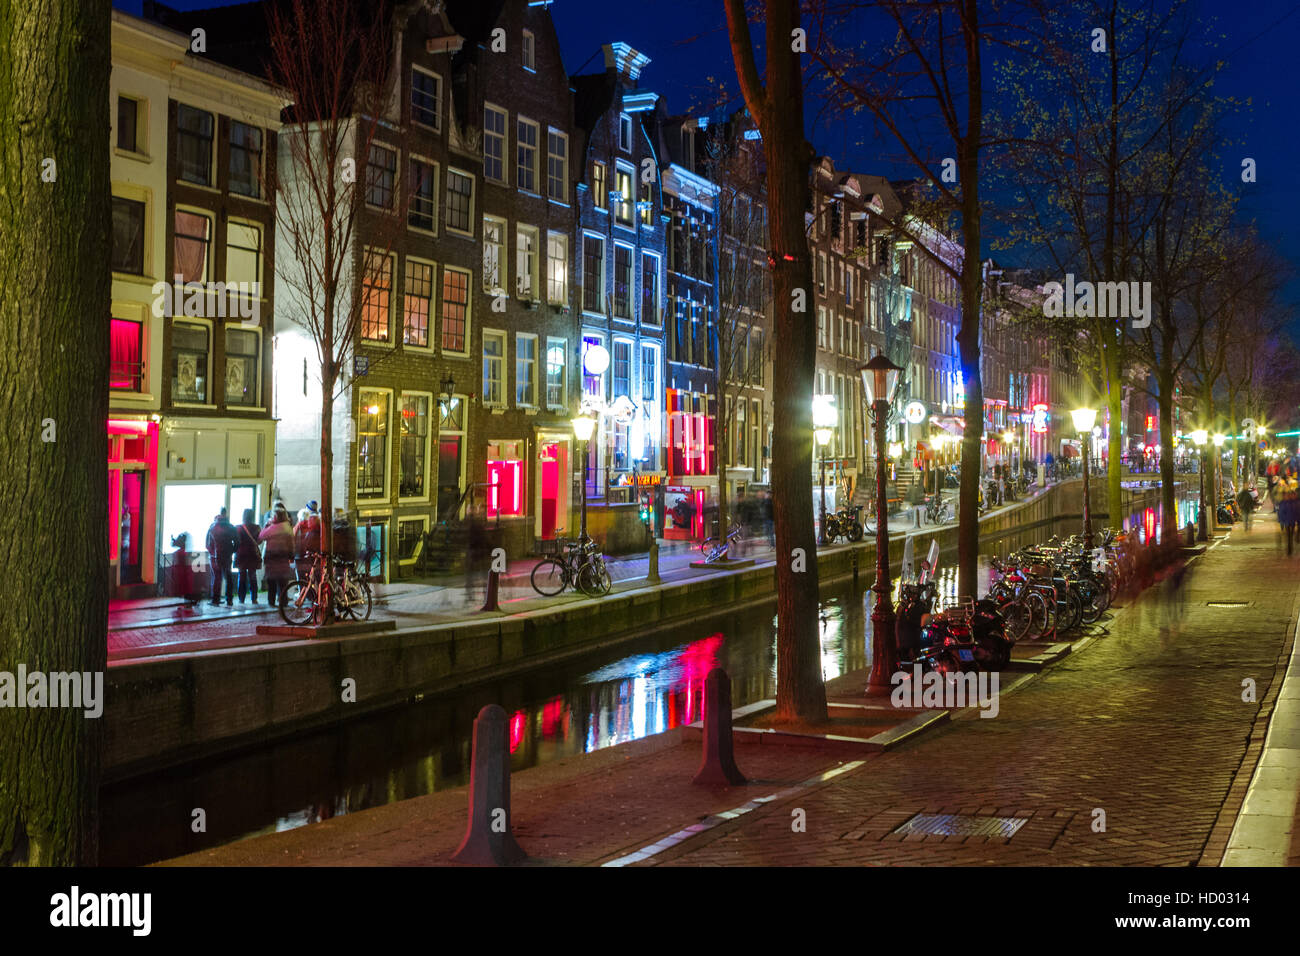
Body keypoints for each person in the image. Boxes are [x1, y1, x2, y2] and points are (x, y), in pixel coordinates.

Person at [259, 504, 295, 607]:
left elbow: (261, 536)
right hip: (283, 558)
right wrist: (291, 555)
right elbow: (291, 543)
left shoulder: (272, 528)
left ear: (275, 516)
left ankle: (271, 602)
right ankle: (283, 601)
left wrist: (266, 525)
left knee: (272, 582)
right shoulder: (287, 527)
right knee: (283, 582)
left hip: (272, 559)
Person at [205, 508, 238, 606]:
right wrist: (232, 551)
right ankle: (229, 600)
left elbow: (207, 543)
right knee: (228, 577)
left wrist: (212, 553)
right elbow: (237, 542)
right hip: (227, 556)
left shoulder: (212, 527)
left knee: (216, 578)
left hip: (214, 557)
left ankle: (215, 600)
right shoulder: (231, 527)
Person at [233, 508, 263, 604]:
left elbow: (235, 541)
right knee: (252, 577)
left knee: (241, 577)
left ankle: (241, 598)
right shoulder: (257, 527)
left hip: (241, 554)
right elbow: (260, 540)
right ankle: (254, 598)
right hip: (252, 554)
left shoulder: (238, 527)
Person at [294, 500, 323, 577]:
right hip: (313, 553)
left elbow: (293, 538)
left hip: (300, 554)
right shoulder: (317, 522)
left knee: (301, 576)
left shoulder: (299, 525)